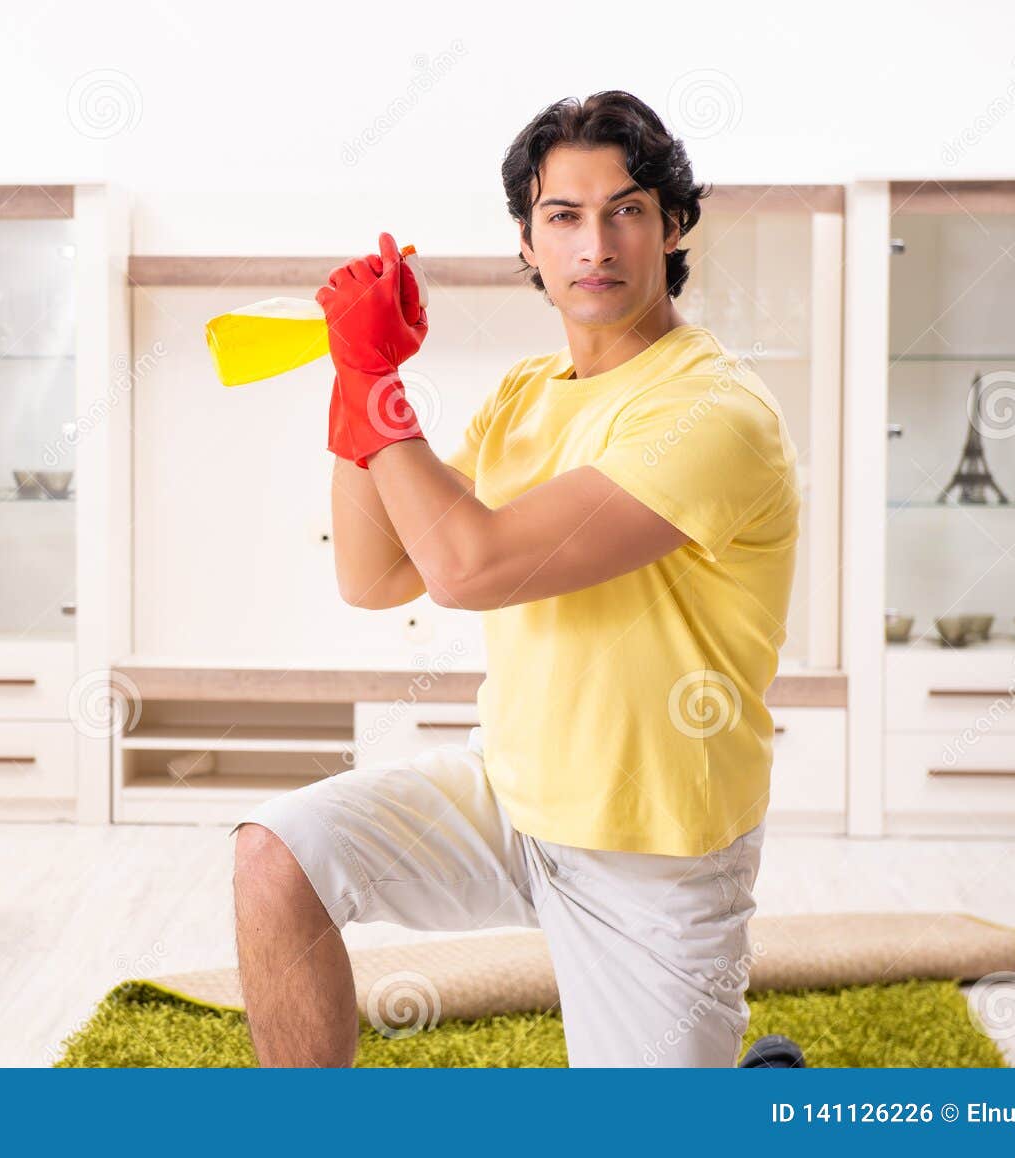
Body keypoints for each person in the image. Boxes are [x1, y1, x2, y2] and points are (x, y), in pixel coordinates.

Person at [230, 90, 802, 1068]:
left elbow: (469, 566)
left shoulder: (713, 412)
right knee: (276, 858)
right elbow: (376, 576)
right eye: (562, 216)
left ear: (671, 226)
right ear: (529, 246)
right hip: (512, 797)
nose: (595, 244)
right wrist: (353, 381)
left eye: (625, 209)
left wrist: (376, 387)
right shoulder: (525, 394)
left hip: (651, 857)